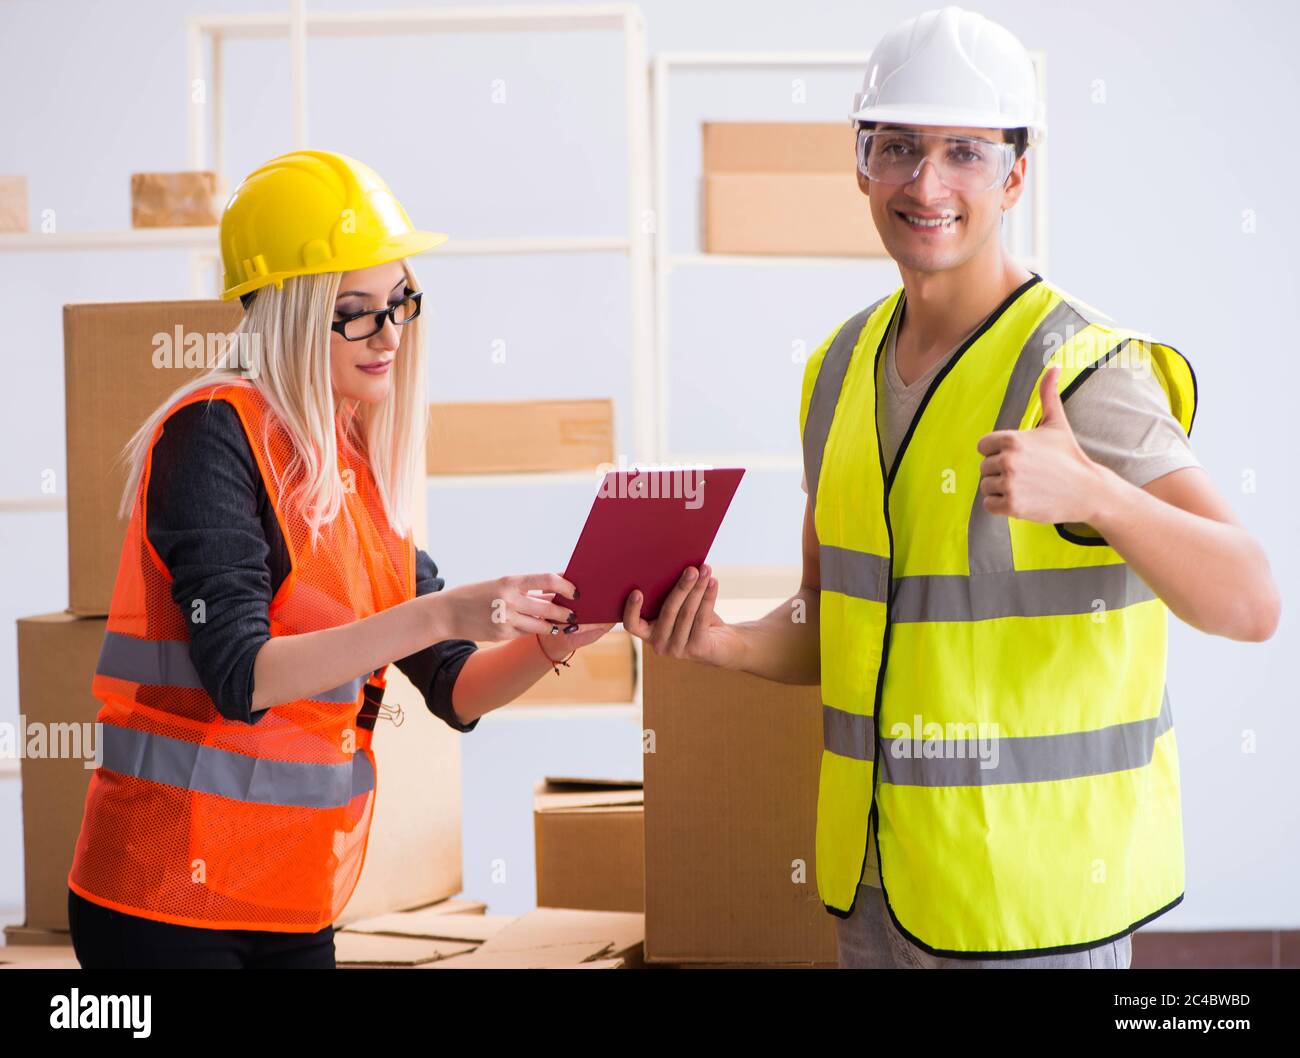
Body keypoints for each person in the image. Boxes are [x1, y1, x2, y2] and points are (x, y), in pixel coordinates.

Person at [621, 6, 1280, 968]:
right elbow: (830, 619)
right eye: (898, 148)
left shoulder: (1086, 373)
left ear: (1016, 171)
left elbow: (1252, 599)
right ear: (860, 164)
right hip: (875, 888)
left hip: (1033, 908)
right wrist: (725, 641)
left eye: (964, 151)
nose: (926, 183)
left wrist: (1099, 496)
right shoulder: (838, 370)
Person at [66, 149, 614, 969]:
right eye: (355, 310)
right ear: (286, 313)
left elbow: (454, 688)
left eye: (399, 302)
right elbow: (241, 676)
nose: (388, 333)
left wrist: (552, 640)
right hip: (164, 896)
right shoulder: (213, 435)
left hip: (289, 897)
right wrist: (439, 609)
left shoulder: (351, 465)